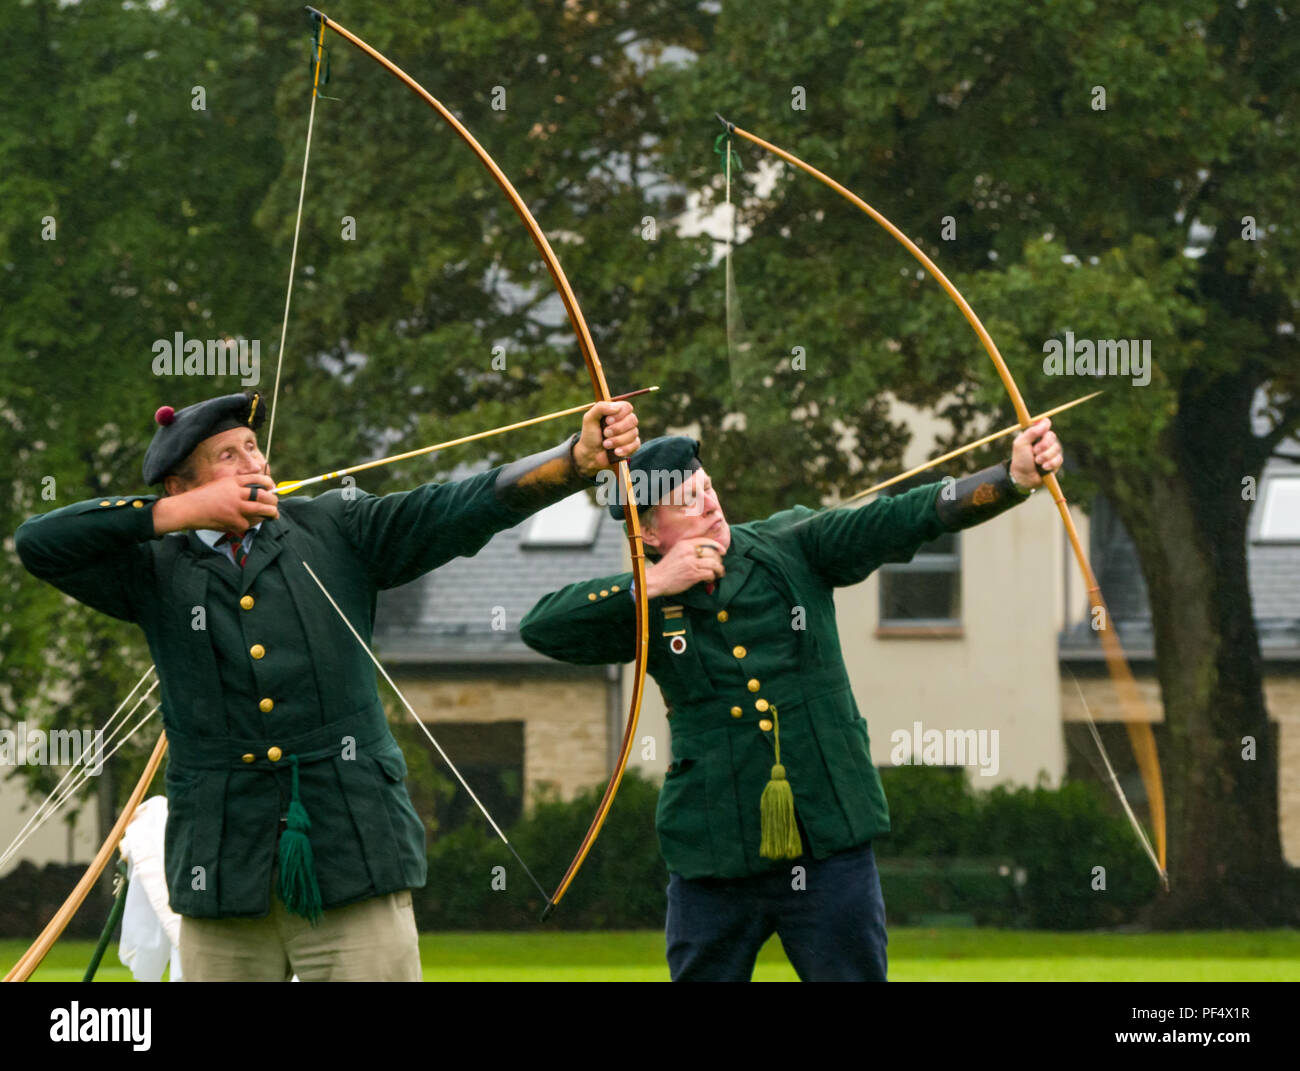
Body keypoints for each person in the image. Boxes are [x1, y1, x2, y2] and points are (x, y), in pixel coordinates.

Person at [15, 389, 639, 981]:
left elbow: (454, 509)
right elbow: (38, 542)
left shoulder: (336, 526)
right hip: (222, 866)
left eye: (252, 448)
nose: (251, 463)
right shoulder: (153, 569)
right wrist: (173, 517)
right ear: (181, 485)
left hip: (350, 848)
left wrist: (572, 462)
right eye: (225, 457)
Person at [520, 421, 1063, 981]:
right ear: (650, 535)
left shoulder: (793, 545)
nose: (709, 504)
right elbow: (543, 628)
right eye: (687, 502)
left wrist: (1011, 478)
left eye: (706, 488)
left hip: (826, 837)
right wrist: (652, 584)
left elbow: (899, 519)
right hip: (716, 852)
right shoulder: (646, 602)